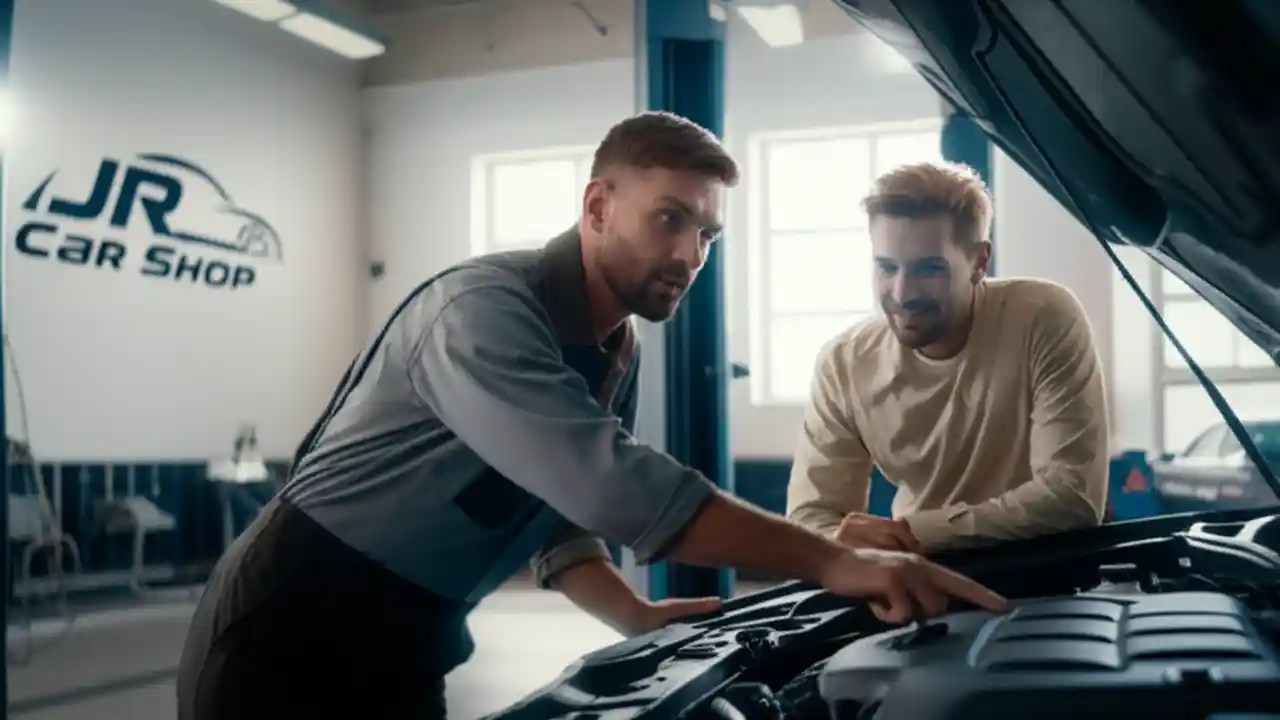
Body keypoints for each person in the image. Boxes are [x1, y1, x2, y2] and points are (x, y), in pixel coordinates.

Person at [177, 113, 1006, 720]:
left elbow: (557, 516)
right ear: (599, 206)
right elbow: (611, 488)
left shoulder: (615, 346)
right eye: (669, 218)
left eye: (709, 234)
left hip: (402, 647)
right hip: (285, 632)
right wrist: (834, 561)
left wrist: (633, 617)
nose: (689, 256)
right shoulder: (478, 312)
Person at [786, 161, 1109, 555]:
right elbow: (811, 519)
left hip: (1043, 574)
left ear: (979, 261)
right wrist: (846, 538)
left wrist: (912, 535)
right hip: (912, 579)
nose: (903, 294)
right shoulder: (843, 363)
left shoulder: (1043, 316)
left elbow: (1073, 495)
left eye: (930, 269)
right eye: (887, 267)